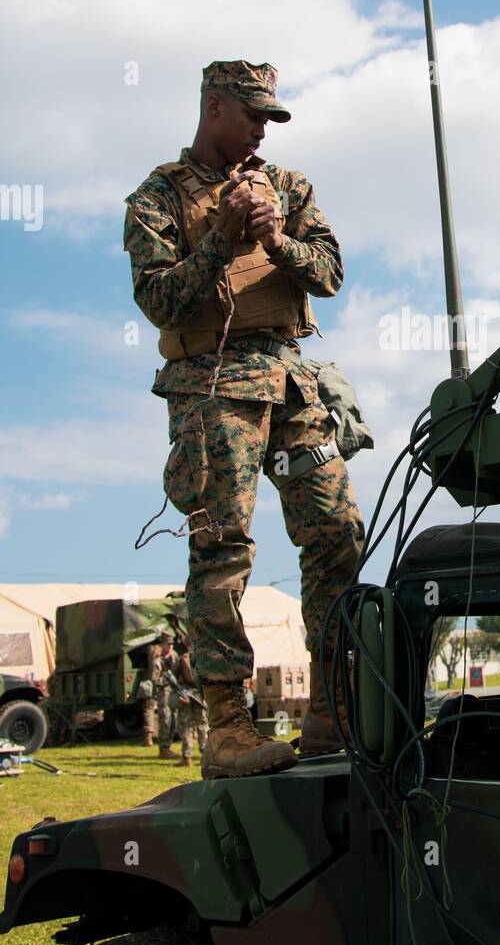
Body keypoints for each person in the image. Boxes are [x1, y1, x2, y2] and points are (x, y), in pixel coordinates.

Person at [123, 60, 365, 780]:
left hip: (292, 386)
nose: (263, 127)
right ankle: (228, 726)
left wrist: (276, 240)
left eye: (271, 117)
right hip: (212, 390)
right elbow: (160, 302)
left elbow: (329, 272)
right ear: (214, 106)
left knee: (335, 533)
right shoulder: (157, 196)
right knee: (222, 547)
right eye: (254, 113)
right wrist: (218, 244)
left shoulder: (288, 187)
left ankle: (332, 712)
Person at [174, 641, 209, 768]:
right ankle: (205, 757)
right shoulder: (203, 658)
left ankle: (187, 757)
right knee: (202, 726)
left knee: (186, 726)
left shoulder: (182, 659)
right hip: (200, 696)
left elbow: (174, 678)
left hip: (186, 695)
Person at [150, 632, 180, 760]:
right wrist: (167, 680)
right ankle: (163, 749)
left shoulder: (175, 657)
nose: (171, 647)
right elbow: (154, 679)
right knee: (165, 721)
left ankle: (168, 747)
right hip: (164, 694)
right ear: (162, 645)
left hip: (174, 693)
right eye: (168, 644)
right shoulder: (157, 660)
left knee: (174, 720)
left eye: (172, 644)